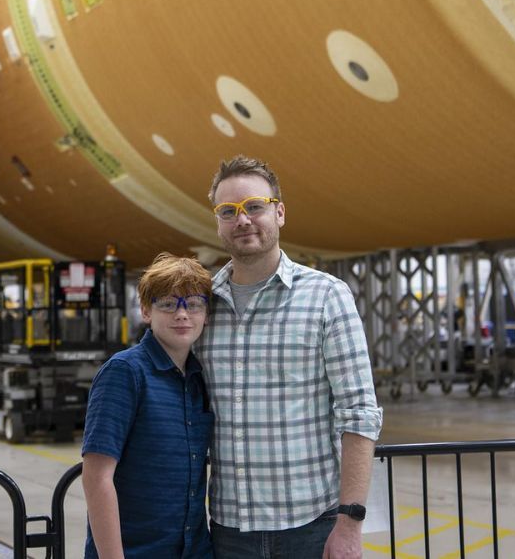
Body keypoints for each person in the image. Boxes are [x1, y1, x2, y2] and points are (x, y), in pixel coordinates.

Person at [199, 155, 383, 559]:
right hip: (228, 529)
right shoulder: (202, 306)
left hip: (311, 527)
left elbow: (359, 413)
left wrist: (350, 523)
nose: (242, 219)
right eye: (228, 211)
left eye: (255, 206)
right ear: (218, 223)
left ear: (279, 213)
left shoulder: (327, 296)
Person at [82, 253, 215, 558]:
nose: (182, 314)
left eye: (193, 304)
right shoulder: (125, 372)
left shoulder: (198, 378)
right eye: (167, 304)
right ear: (145, 310)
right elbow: (96, 477)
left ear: (206, 314)